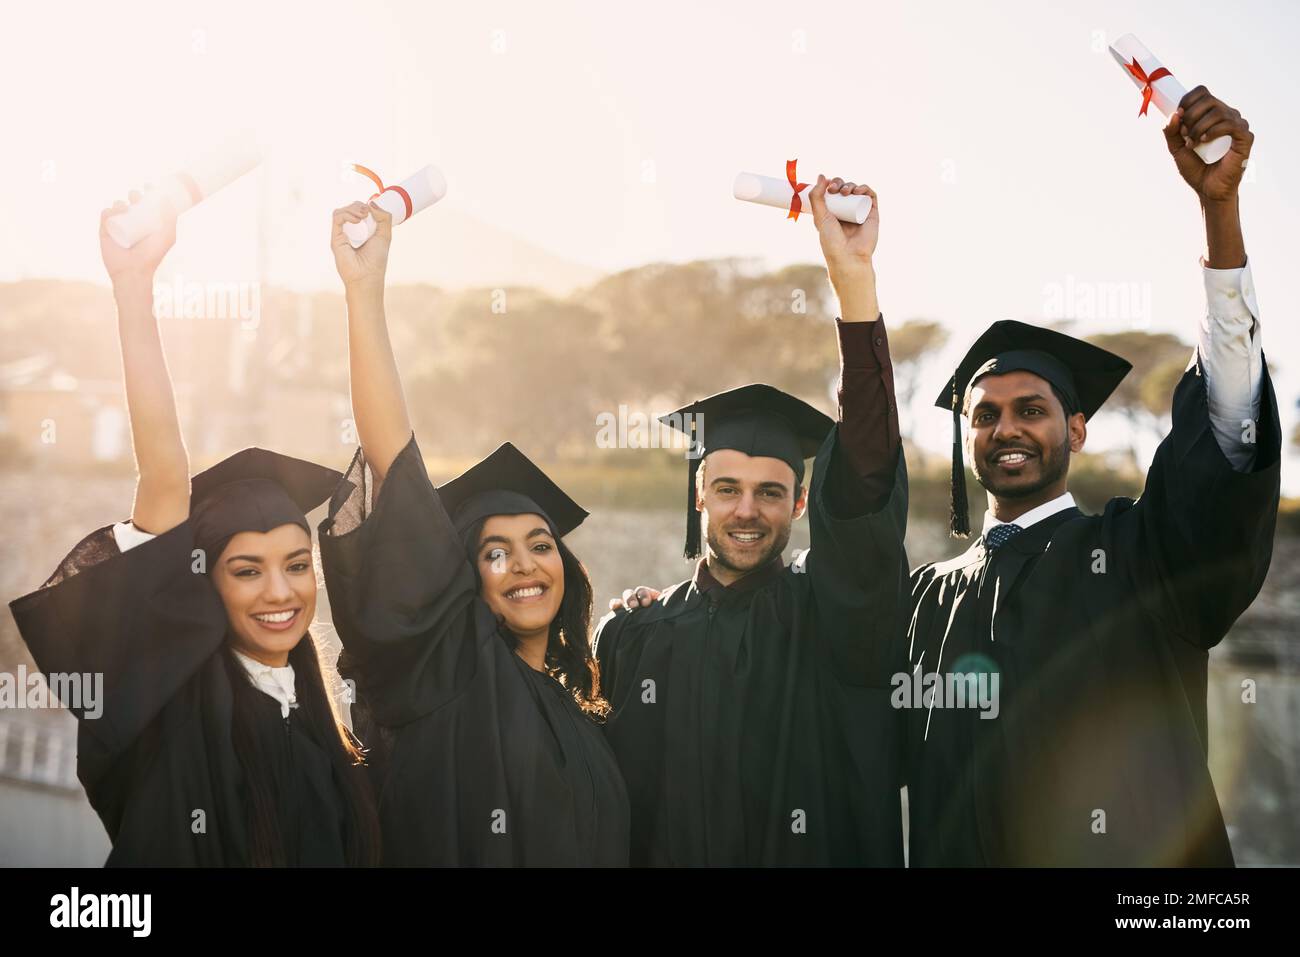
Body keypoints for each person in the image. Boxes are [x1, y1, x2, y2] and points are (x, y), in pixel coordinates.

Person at [904, 88, 1278, 866]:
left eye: (1031, 409)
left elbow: (1225, 429)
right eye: (985, 414)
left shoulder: (1144, 556)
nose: (1005, 427)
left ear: (1076, 428)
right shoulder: (930, 596)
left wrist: (1220, 216)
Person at [8, 193, 380, 866]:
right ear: (196, 583)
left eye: (298, 564)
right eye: (246, 569)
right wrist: (133, 291)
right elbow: (163, 478)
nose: (281, 590)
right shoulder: (170, 699)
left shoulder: (326, 731)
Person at [594, 176, 909, 865]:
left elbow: (862, 483)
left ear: (801, 503)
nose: (747, 509)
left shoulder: (830, 616)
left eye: (771, 491)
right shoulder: (633, 639)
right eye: (728, 487)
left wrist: (853, 283)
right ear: (698, 492)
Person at [321, 201, 629, 865]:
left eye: (540, 545)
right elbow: (394, 465)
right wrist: (365, 293)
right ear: (461, 579)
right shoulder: (454, 673)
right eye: (496, 552)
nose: (525, 563)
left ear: (566, 568)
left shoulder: (586, 718)